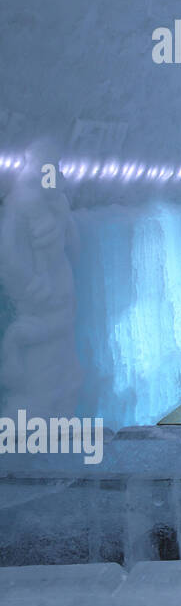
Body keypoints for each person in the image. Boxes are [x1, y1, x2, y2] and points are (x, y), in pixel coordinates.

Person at [0, 139, 82, 416]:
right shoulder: (21, 207)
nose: (62, 175)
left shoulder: (56, 205)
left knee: (66, 380)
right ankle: (28, 446)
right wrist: (31, 288)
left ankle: (54, 439)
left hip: (60, 312)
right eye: (55, 169)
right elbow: (7, 254)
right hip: (42, 312)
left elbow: (74, 247)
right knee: (40, 386)